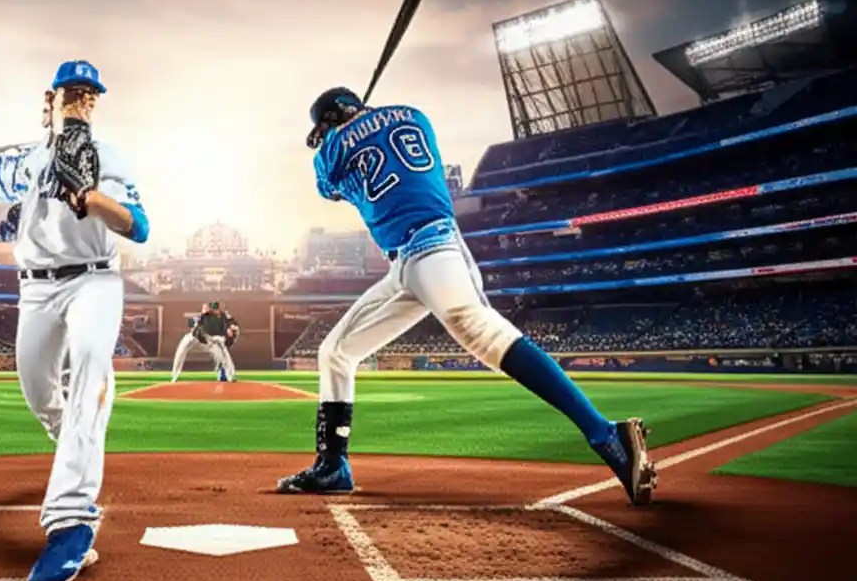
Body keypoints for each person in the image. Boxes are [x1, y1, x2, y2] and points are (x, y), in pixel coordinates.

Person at [275, 87, 657, 506]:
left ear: (332, 118)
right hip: (411, 261)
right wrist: (351, 125)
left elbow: (330, 189)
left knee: (481, 332)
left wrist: (330, 138)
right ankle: (333, 467)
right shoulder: (413, 114)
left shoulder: (328, 152)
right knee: (336, 351)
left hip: (433, 250)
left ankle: (607, 434)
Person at [0, 60, 150, 581]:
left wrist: (93, 198)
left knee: (88, 371)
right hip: (35, 288)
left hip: (94, 282)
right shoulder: (24, 160)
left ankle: (70, 521)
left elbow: (140, 227)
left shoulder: (109, 157)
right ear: (51, 99)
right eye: (73, 92)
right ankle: (79, 440)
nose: (83, 99)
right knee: (39, 393)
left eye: (91, 93)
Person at [169, 301, 239, 382]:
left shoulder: (224, 318)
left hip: (211, 340)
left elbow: (230, 326)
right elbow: (195, 325)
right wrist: (203, 313)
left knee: (222, 355)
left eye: (216, 308)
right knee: (181, 350)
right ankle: (174, 375)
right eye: (213, 308)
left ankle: (230, 376)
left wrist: (229, 330)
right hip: (195, 337)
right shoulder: (206, 315)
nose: (215, 310)